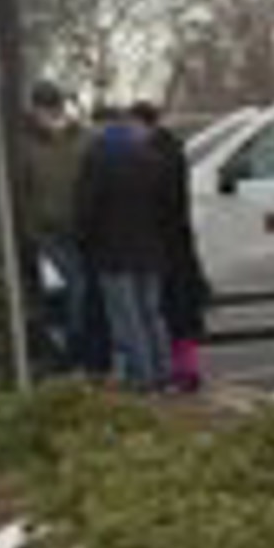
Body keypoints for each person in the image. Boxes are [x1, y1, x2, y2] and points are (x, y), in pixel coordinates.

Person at [75, 107, 181, 393]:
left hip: (112, 252)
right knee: (152, 314)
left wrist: (84, 242)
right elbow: (166, 208)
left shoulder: (96, 159)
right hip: (151, 249)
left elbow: (87, 209)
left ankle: (141, 377)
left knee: (126, 318)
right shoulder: (150, 158)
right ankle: (165, 373)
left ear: (100, 127)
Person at [20, 82, 108, 376]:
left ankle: (79, 348)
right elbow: (24, 191)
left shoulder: (83, 139)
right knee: (70, 289)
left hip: (83, 229)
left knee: (82, 290)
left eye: (52, 106)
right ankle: (70, 348)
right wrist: (32, 228)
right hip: (48, 233)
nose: (49, 113)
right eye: (43, 107)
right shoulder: (25, 144)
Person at [131, 102, 213, 394]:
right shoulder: (172, 150)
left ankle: (184, 372)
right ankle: (187, 369)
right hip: (178, 240)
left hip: (166, 242)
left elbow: (158, 200)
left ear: (143, 124)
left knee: (172, 309)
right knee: (181, 310)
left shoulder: (155, 156)